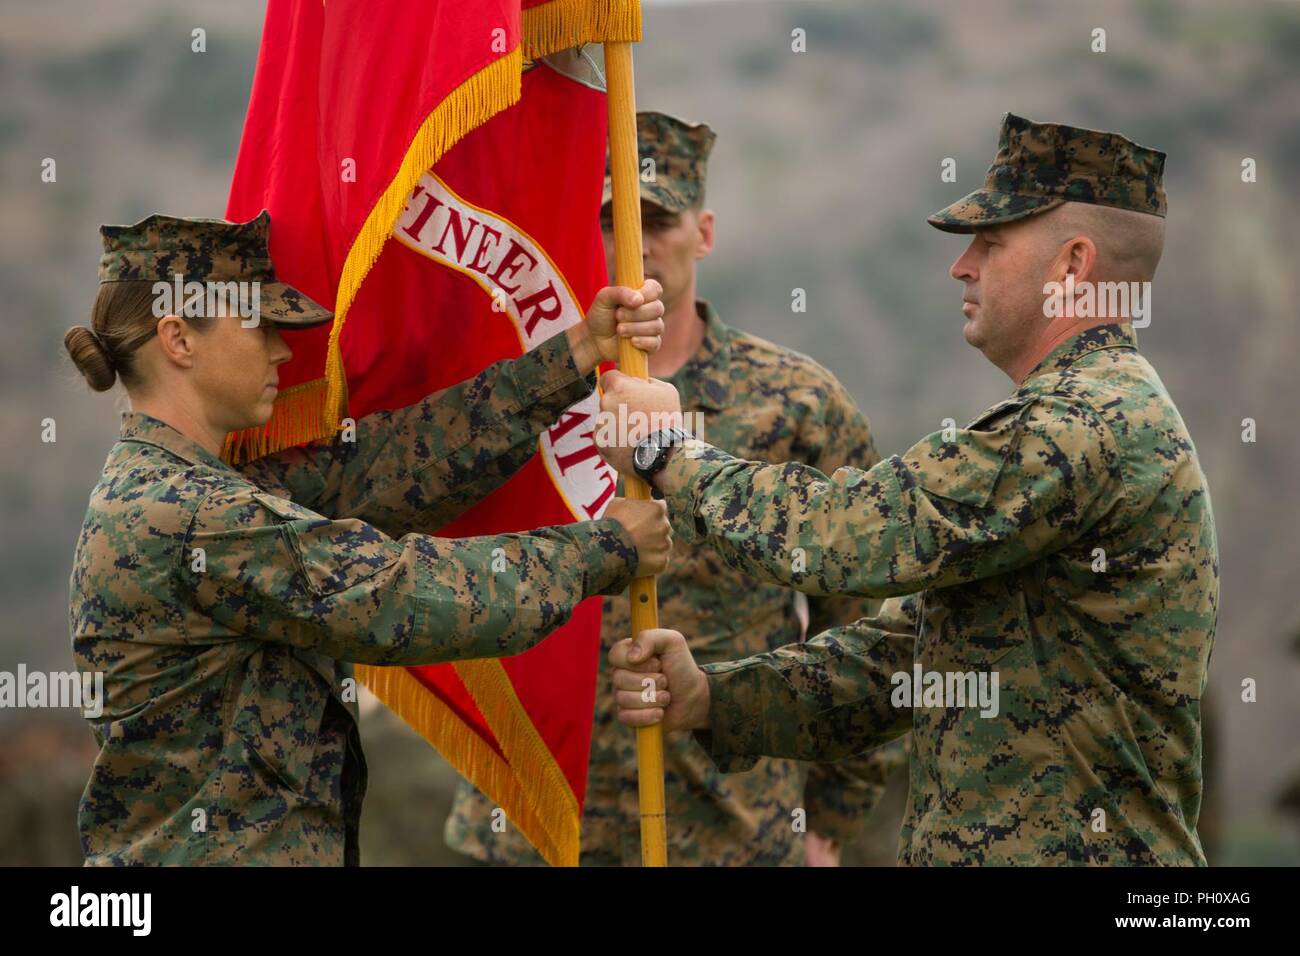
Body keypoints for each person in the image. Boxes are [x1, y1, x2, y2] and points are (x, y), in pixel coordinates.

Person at [599, 113, 1219, 866]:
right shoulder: (1080, 415)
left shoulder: (1083, 425)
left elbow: (841, 537)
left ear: (1072, 265)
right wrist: (715, 700)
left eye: (991, 244)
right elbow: (906, 663)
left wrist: (668, 449)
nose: (963, 267)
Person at [65, 210, 670, 865]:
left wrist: (576, 352)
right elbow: (403, 598)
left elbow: (386, 466)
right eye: (260, 326)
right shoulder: (186, 509)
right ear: (178, 338)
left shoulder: (192, 486)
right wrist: (604, 547)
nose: (282, 351)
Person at [446, 112, 906, 867]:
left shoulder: (796, 401)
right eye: (609, 220)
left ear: (706, 232)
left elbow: (862, 620)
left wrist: (828, 827)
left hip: (730, 831)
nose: (635, 244)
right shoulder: (524, 391)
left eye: (657, 220)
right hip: (534, 824)